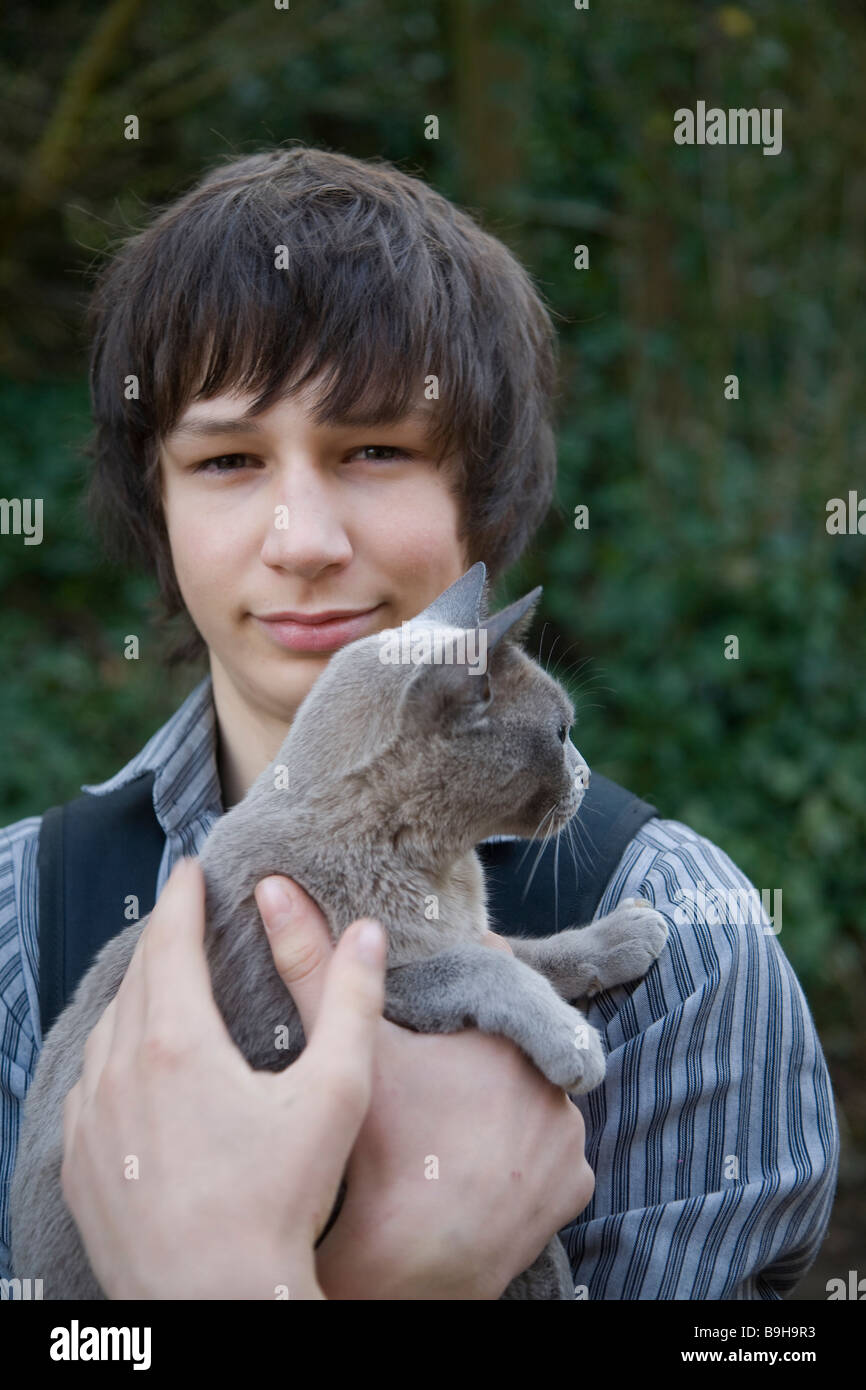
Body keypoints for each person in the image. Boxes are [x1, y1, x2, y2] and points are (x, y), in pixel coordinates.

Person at [0, 145, 839, 1300]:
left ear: (482, 492)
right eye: (229, 458)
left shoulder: (689, 950)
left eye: (375, 449)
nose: (302, 538)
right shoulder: (17, 929)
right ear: (159, 501)